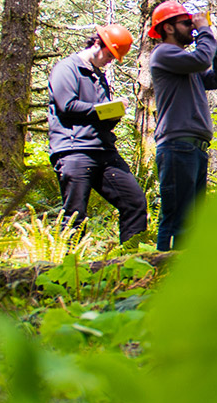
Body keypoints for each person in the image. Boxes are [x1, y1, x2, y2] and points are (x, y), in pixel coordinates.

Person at [46, 24, 149, 246]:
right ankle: (69, 264)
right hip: (74, 150)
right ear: (96, 44)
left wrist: (114, 113)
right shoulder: (66, 68)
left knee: (135, 203)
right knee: (75, 215)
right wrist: (104, 110)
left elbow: (101, 115)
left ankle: (130, 258)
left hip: (104, 151)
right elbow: (67, 106)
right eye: (109, 55)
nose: (110, 61)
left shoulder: (99, 76)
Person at [146, 0, 217, 251]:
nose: (192, 29)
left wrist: (209, 35)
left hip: (194, 147)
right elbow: (202, 59)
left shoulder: (185, 63)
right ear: (168, 28)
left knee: (192, 221)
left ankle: (183, 267)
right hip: (177, 145)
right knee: (177, 218)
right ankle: (163, 268)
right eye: (186, 23)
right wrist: (204, 31)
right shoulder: (163, 53)